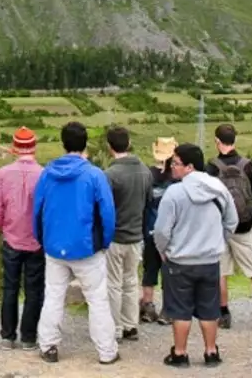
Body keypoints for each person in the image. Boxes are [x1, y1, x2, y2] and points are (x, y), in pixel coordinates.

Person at [33, 121, 119, 365]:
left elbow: (37, 210)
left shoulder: (47, 174)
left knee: (53, 296)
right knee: (97, 300)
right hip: (87, 248)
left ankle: (48, 346)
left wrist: (43, 240)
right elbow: (108, 213)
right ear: (85, 144)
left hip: (54, 247)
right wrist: (104, 242)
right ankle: (106, 352)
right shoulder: (94, 175)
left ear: (63, 143)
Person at [152, 143, 238, 368]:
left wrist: (164, 250)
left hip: (179, 260)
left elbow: (161, 230)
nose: (172, 167)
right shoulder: (218, 188)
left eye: (176, 163)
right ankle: (211, 352)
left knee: (180, 310)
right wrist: (219, 240)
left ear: (189, 167)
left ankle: (180, 354)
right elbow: (232, 221)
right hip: (210, 259)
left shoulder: (174, 192)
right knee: (210, 309)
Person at [207, 123, 252, 331]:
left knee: (221, 273)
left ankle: (224, 314)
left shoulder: (211, 168)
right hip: (244, 228)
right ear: (235, 141)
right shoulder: (248, 166)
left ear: (217, 141)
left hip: (221, 228)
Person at [0, 126, 44, 350]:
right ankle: (29, 337)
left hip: (11, 240)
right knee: (34, 290)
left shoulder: (4, 173)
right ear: (34, 147)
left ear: (14, 148)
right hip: (36, 241)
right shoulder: (44, 173)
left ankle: (7, 336)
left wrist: (4, 228)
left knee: (10, 288)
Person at [104, 126, 152, 343]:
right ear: (129, 142)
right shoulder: (144, 170)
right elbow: (149, 201)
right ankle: (131, 325)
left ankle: (115, 328)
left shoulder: (110, 174)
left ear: (109, 147)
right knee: (131, 281)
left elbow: (103, 207)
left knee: (113, 284)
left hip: (115, 237)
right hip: (136, 235)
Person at [140, 137, 178, 324]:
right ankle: (168, 310)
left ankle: (148, 306)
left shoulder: (147, 174)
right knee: (169, 270)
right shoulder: (176, 177)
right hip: (171, 233)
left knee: (150, 269)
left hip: (149, 229)